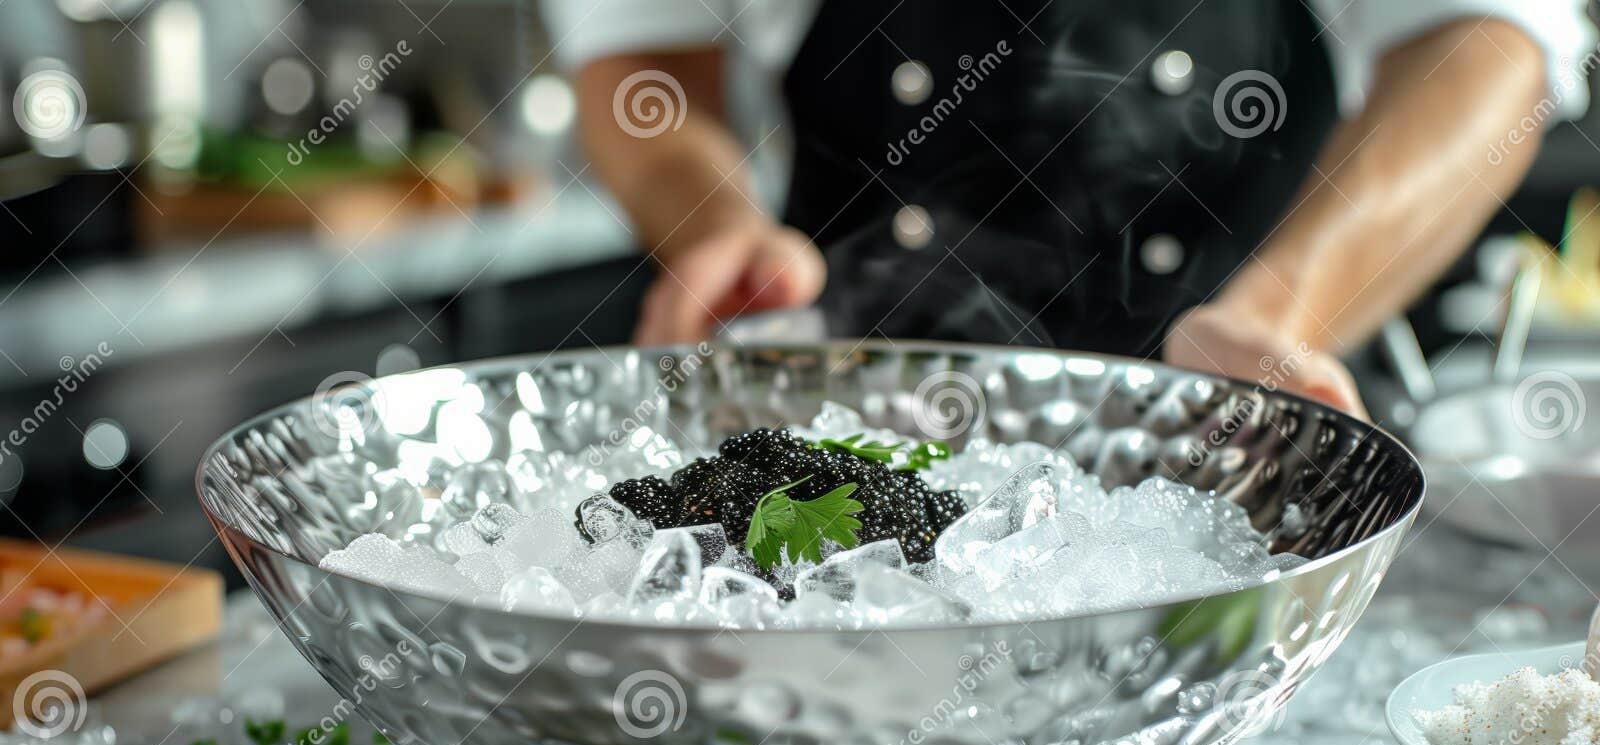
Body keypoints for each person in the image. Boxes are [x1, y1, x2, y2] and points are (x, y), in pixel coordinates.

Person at [543, 0, 1594, 414]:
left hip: (1225, 429)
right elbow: (645, 60)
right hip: (838, 421)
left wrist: (1287, 314)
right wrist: (714, 226)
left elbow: (1486, 42)